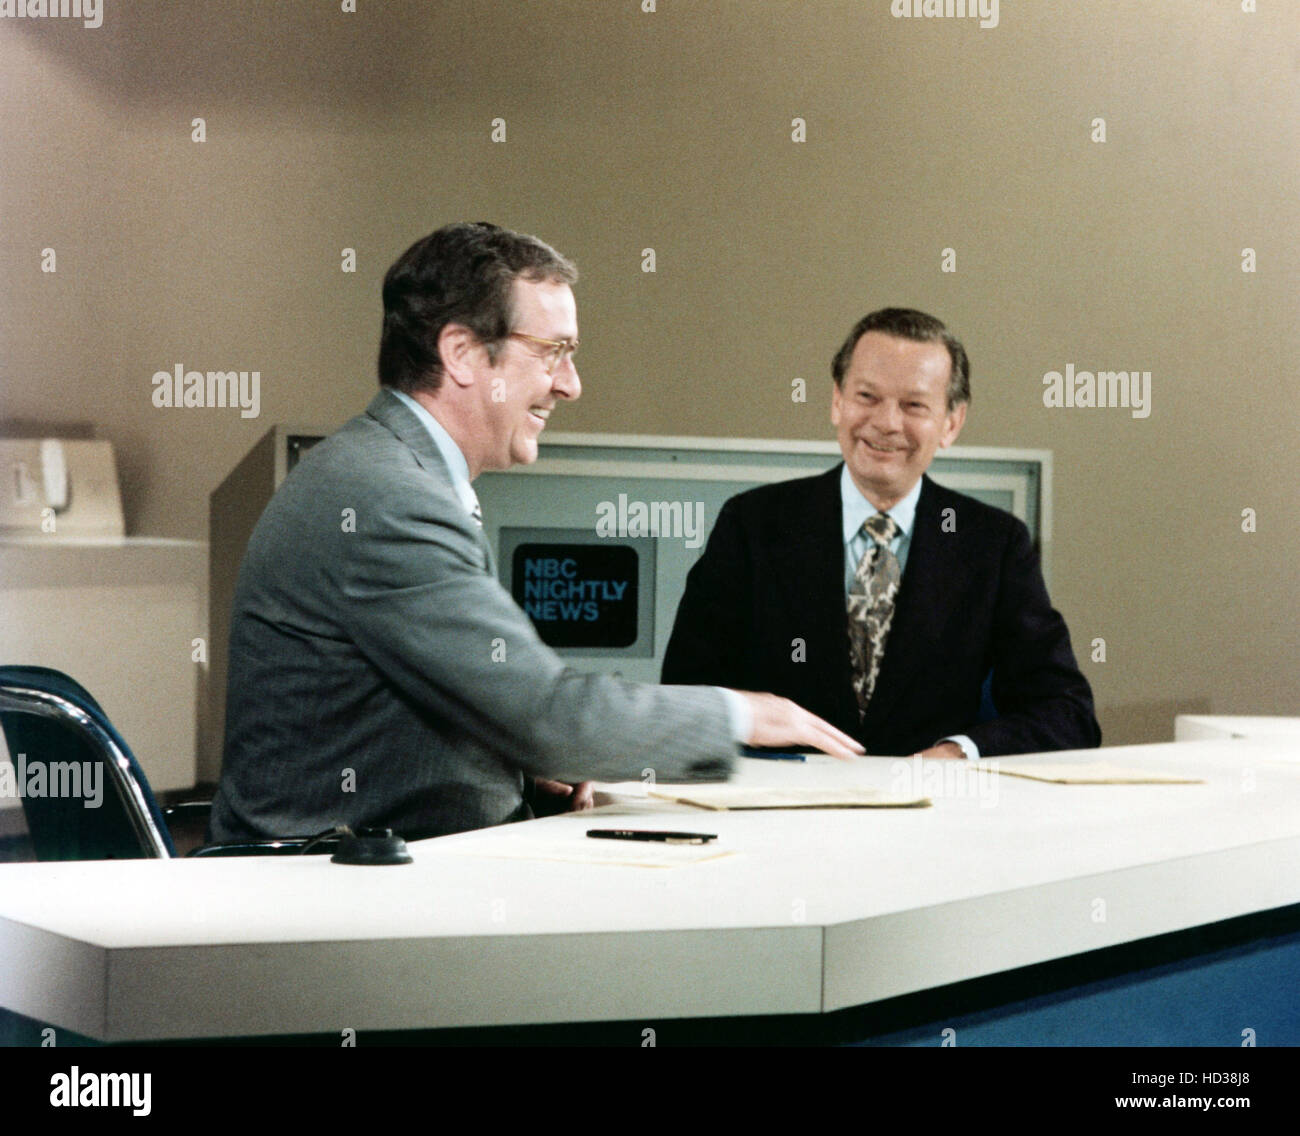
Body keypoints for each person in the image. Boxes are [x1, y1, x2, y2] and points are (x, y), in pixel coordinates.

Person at [207, 222, 860, 844]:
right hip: (345, 895)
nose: (571, 385)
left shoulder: (387, 472)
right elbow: (545, 714)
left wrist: (520, 771)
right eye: (554, 352)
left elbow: (440, 709)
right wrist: (745, 715)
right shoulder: (389, 498)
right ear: (461, 353)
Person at [661, 307, 1100, 759]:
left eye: (914, 405)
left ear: (951, 423)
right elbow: (684, 697)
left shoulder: (994, 544)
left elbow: (1068, 713)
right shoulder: (752, 524)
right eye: (867, 396)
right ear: (837, 401)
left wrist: (958, 753)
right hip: (783, 811)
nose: (887, 422)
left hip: (934, 813)